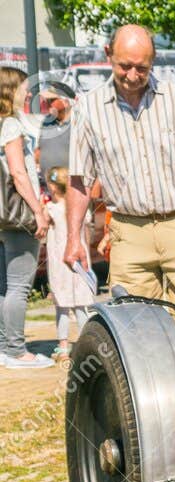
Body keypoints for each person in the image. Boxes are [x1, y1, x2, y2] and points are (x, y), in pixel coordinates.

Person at [65, 24, 175, 349]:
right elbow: (79, 181)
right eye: (125, 65)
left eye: (143, 67)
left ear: (153, 62)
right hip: (128, 231)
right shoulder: (88, 109)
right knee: (137, 328)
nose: (134, 75)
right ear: (108, 55)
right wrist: (73, 239)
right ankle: (154, 396)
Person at [1, 68, 51, 369]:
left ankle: (5, 347)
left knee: (4, 286)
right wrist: (38, 210)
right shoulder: (11, 126)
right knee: (19, 286)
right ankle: (18, 352)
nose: (28, 92)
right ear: (11, 91)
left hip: (2, 217)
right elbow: (19, 174)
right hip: (18, 215)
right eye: (23, 88)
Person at [44, 168, 94, 362]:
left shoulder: (51, 209)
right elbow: (88, 228)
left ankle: (63, 347)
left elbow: (42, 226)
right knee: (82, 305)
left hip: (60, 264)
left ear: (52, 187)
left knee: (62, 306)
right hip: (80, 262)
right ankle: (84, 343)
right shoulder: (81, 208)